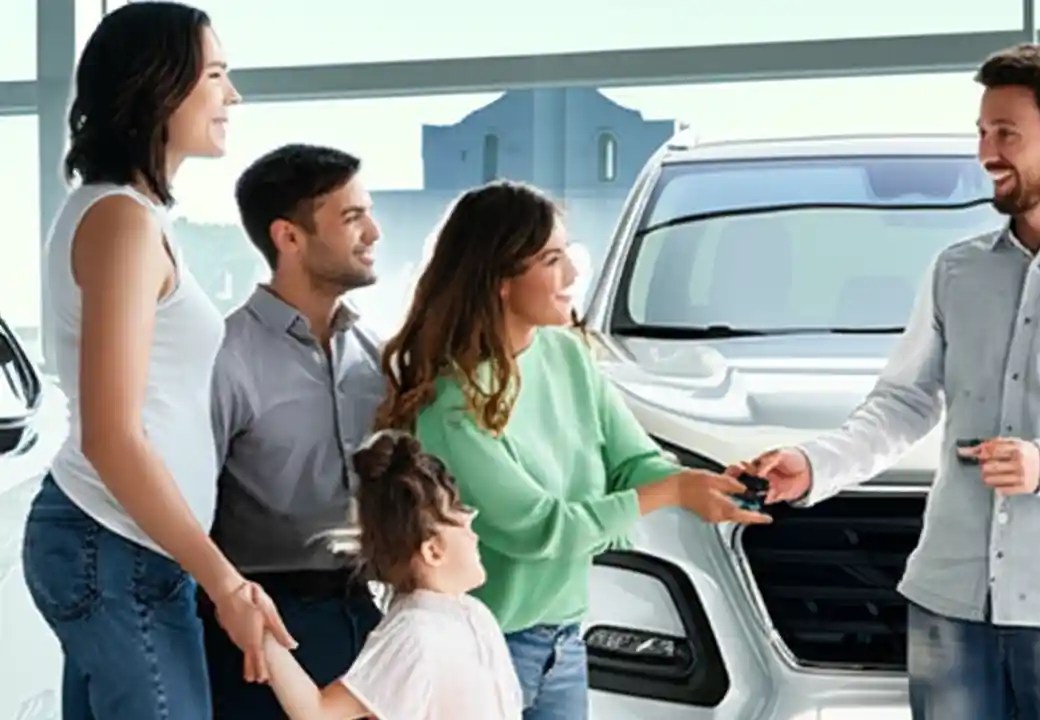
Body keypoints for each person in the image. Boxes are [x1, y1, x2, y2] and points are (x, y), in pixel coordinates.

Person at [734, 43, 1040, 720]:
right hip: (948, 602)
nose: (986, 153)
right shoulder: (957, 271)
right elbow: (904, 403)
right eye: (982, 132)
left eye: (1006, 133)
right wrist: (813, 465)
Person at [375, 180, 773, 719]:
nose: (572, 275)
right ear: (500, 280)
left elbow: (633, 463)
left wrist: (711, 486)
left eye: (567, 254)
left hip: (564, 641)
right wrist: (670, 493)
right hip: (481, 647)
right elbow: (540, 529)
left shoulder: (566, 355)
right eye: (551, 260)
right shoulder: (452, 406)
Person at [20, 4, 294, 719]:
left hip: (128, 548)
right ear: (159, 86)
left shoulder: (131, 215)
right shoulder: (120, 221)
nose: (233, 96)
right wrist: (226, 584)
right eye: (216, 75)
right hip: (111, 545)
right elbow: (111, 436)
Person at [200, 143, 386, 718]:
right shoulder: (225, 358)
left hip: (366, 616)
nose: (374, 232)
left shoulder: (377, 356)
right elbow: (185, 509)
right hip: (263, 633)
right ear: (289, 237)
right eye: (352, 217)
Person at [260, 429, 522, 720]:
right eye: (465, 524)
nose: (474, 537)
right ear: (433, 551)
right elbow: (320, 713)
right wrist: (263, 635)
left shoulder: (474, 615)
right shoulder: (413, 634)